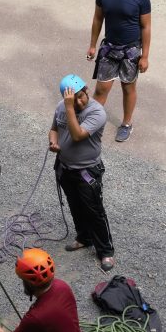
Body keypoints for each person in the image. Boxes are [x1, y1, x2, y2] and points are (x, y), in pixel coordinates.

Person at [50, 74, 115, 272]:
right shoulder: (62, 106)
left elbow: (78, 135)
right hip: (66, 167)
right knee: (75, 206)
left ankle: (105, 251)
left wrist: (70, 107)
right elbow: (54, 129)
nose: (79, 101)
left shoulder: (97, 112)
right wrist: (53, 141)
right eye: (73, 98)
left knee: (94, 210)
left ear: (87, 90)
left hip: (87, 170)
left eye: (81, 96)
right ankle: (84, 238)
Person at [85, 0, 152, 142]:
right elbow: (98, 18)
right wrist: (92, 45)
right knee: (101, 89)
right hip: (109, 48)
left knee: (128, 88)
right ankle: (93, 123)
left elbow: (146, 27)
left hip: (130, 51)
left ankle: (126, 124)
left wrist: (145, 56)